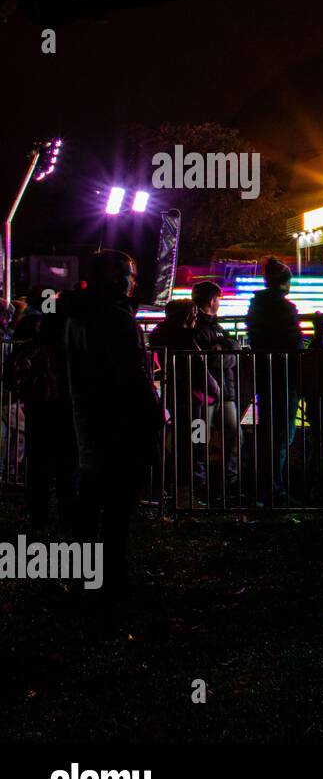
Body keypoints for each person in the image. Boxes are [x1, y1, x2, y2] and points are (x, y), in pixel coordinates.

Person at [62, 250, 163, 605]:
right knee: (118, 504)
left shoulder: (78, 316)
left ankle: (85, 573)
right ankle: (110, 577)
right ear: (113, 278)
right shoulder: (117, 320)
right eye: (128, 274)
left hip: (90, 416)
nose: (133, 281)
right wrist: (153, 414)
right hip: (120, 421)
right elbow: (133, 375)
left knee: (91, 497)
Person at [5, 288, 77, 528]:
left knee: (39, 463)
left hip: (39, 407)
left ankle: (39, 513)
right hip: (64, 408)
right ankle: (67, 513)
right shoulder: (69, 344)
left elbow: (11, 375)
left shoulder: (33, 342)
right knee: (67, 464)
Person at [149, 299, 218, 505]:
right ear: (188, 316)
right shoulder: (187, 340)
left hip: (174, 397)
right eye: (194, 313)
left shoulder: (161, 336)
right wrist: (215, 389)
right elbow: (199, 372)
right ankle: (188, 494)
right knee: (196, 444)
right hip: (194, 401)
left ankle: (178, 492)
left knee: (180, 444)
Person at [246, 258, 304, 502]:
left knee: (269, 431)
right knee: (281, 434)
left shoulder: (256, 306)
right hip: (284, 374)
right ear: (284, 282)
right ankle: (275, 488)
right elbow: (294, 341)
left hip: (265, 374)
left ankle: (263, 485)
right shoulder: (284, 308)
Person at [191, 280, 241, 496]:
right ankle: (217, 481)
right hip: (209, 393)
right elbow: (224, 358)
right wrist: (226, 352)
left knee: (204, 436)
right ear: (212, 300)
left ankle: (202, 481)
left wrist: (224, 350)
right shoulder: (206, 328)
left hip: (214, 393)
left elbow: (228, 352)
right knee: (205, 436)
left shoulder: (209, 327)